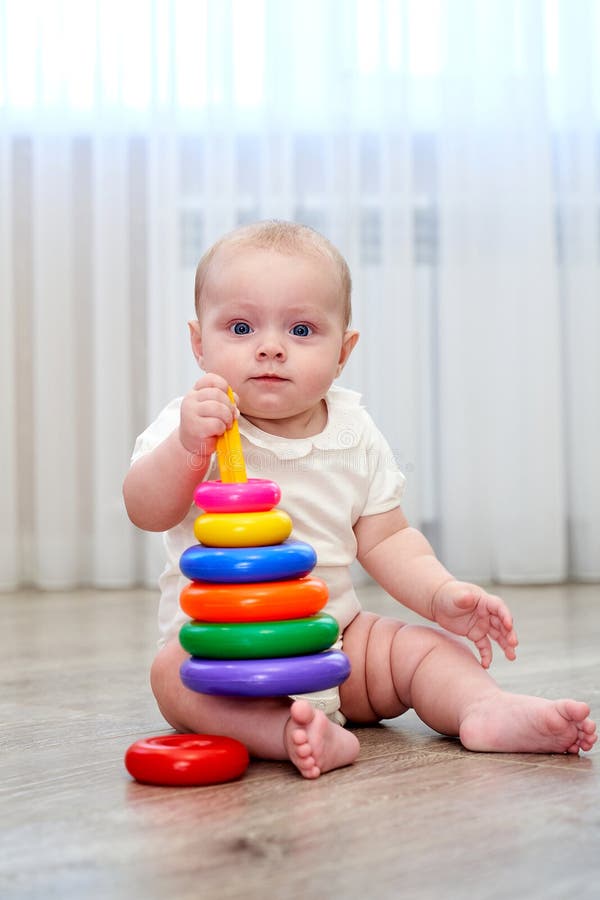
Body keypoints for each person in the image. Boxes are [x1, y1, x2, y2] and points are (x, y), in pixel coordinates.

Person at [123, 220, 597, 779]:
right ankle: (285, 732)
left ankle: (484, 708)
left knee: (421, 648)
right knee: (170, 675)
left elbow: (388, 537)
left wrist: (440, 593)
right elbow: (147, 510)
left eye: (301, 330)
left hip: (336, 641)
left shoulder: (354, 430)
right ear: (200, 343)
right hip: (222, 654)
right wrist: (187, 447)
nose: (271, 347)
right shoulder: (191, 425)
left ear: (343, 351)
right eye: (242, 326)